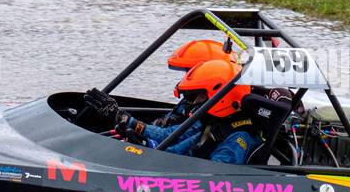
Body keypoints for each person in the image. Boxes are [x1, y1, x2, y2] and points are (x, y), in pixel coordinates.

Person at [83, 58, 260, 164]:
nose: (193, 103)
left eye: (198, 97)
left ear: (221, 98)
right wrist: (145, 145)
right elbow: (174, 138)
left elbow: (215, 182)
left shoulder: (238, 138)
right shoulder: (212, 121)